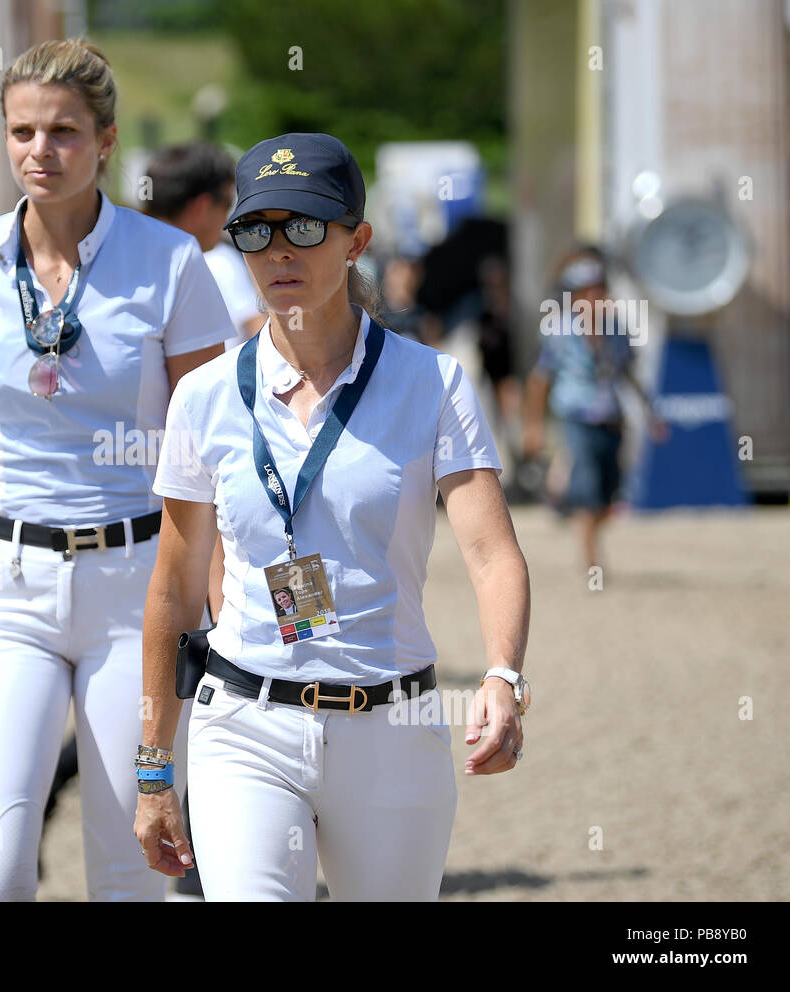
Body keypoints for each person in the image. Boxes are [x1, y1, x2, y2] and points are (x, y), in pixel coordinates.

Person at [134, 133, 532, 901]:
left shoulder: (432, 383)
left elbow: (492, 554)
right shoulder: (206, 396)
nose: (279, 251)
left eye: (306, 227)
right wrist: (154, 767)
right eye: (257, 231)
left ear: (358, 240)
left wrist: (503, 675)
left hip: (394, 727)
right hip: (244, 722)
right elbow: (175, 587)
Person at [0, 38, 231, 902]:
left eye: (63, 133)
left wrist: (227, 615)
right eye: (22, 132)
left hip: (139, 589)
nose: (39, 152)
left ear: (107, 140)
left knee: (132, 872)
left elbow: (209, 461)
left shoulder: (171, 264)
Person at [522, 245, 666, 570]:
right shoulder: (557, 331)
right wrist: (533, 427)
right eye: (587, 292)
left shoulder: (617, 331)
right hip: (576, 417)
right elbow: (539, 381)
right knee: (587, 485)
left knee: (610, 491)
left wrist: (651, 411)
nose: (595, 298)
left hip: (611, 417)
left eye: (599, 291)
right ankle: (592, 561)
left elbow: (629, 373)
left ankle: (566, 502)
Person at [143, 142, 263, 349]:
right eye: (227, 204)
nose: (227, 218)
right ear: (203, 207)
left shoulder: (122, 263)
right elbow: (261, 335)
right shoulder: (220, 262)